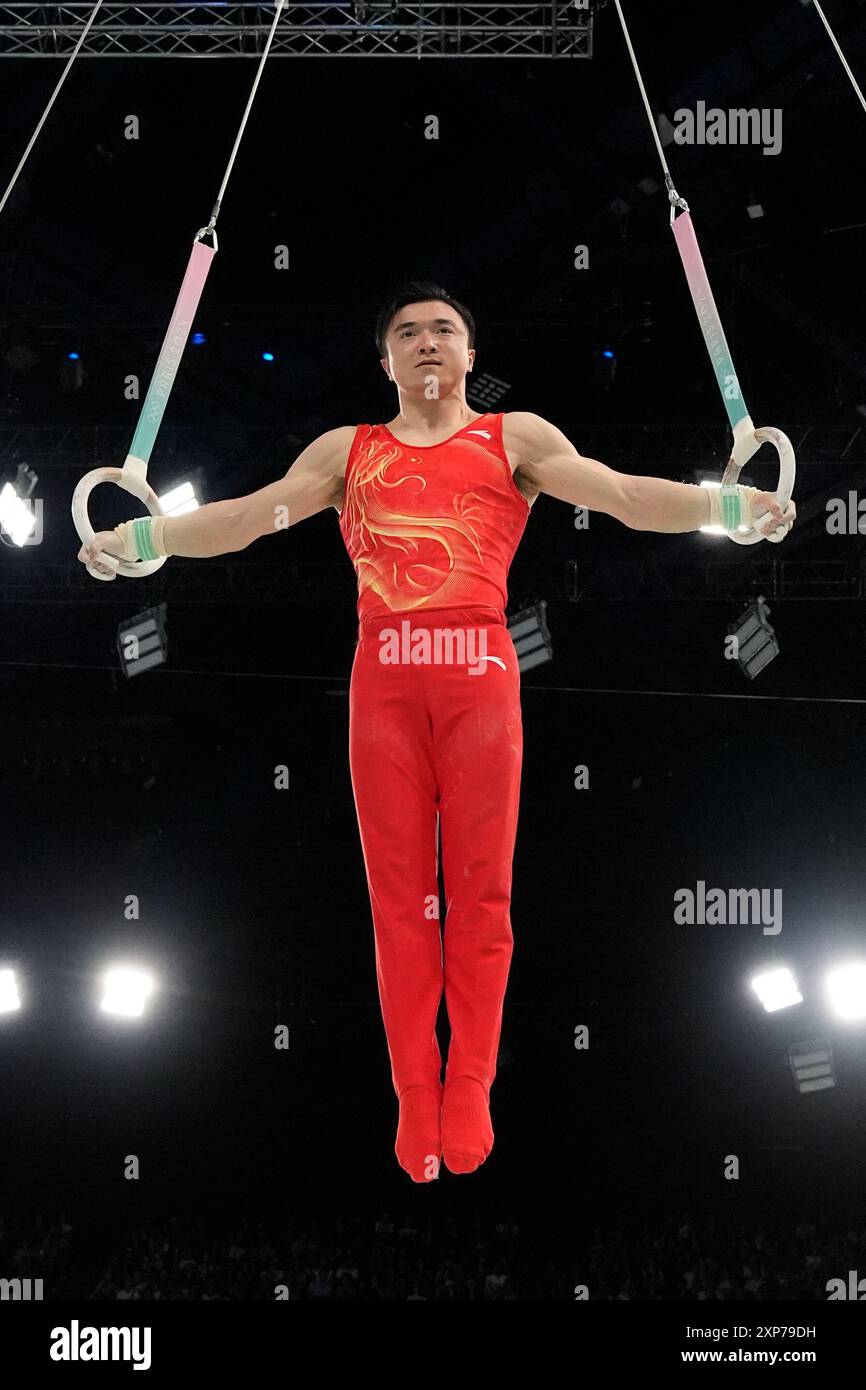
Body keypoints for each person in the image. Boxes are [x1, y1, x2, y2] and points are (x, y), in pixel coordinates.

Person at [79, 279, 796, 1183]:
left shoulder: (515, 438)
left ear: (469, 356)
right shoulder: (350, 450)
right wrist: (143, 542)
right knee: (399, 902)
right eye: (408, 333)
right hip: (382, 680)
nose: (426, 342)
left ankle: (472, 1086)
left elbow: (620, 496)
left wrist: (728, 509)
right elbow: (242, 520)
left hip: (479, 676)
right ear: (385, 361)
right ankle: (415, 1093)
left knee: (480, 895)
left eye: (444, 330)